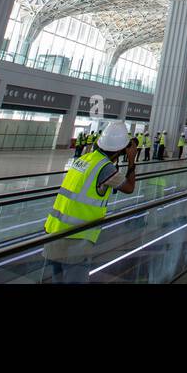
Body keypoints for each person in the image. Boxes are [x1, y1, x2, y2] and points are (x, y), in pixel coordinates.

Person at [43, 120, 138, 283]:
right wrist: (131, 160)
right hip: (76, 238)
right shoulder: (105, 168)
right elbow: (129, 188)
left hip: (53, 231)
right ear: (120, 150)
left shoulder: (85, 158)